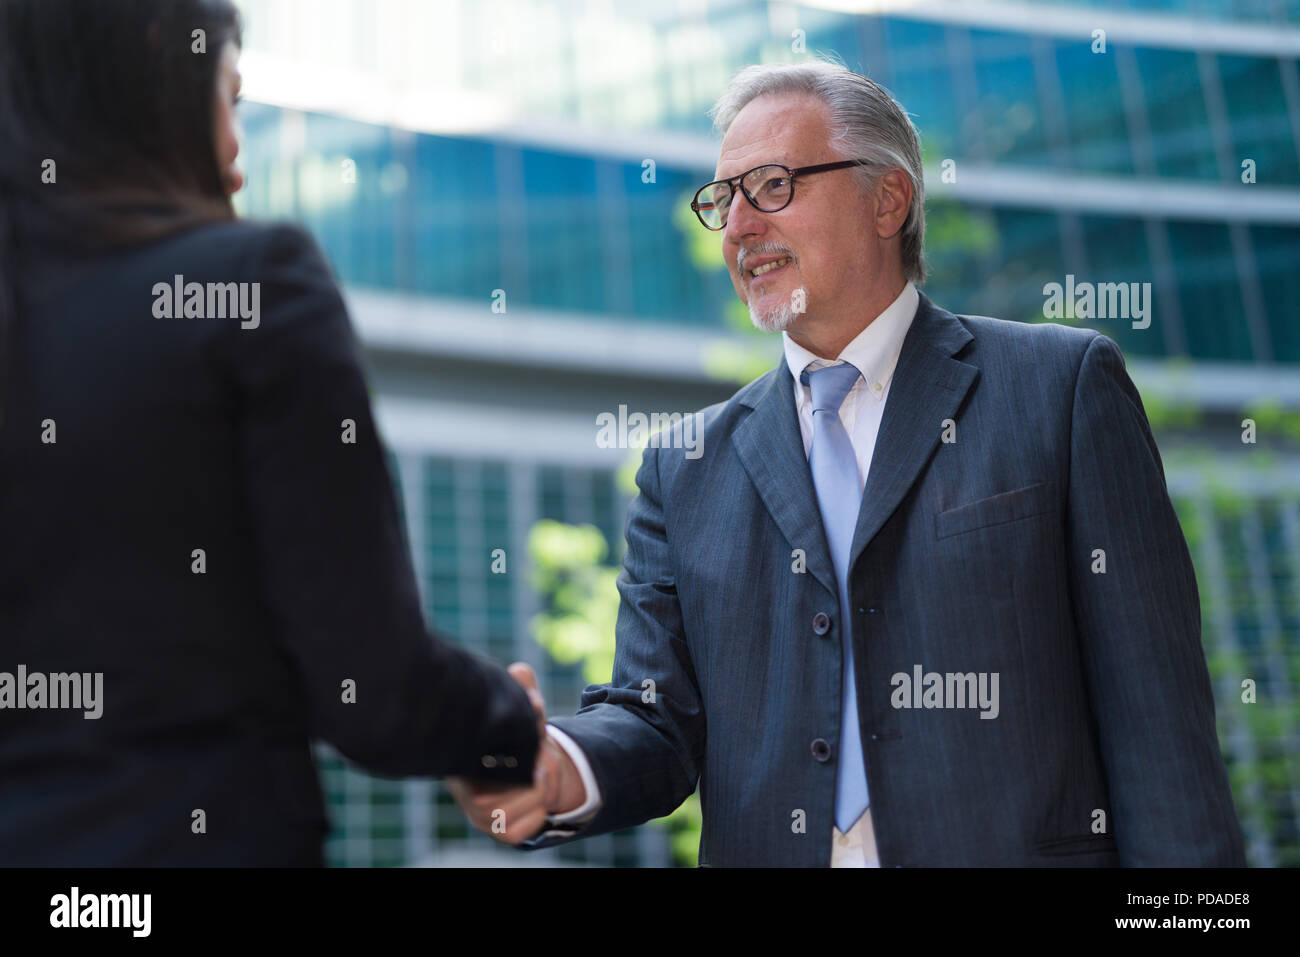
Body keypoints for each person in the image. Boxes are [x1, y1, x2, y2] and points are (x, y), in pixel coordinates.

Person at [450, 60, 1247, 866]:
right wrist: (558, 766)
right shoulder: (681, 465)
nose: (737, 228)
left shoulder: (1061, 387)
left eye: (769, 186)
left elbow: (1158, 720)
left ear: (887, 199)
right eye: (722, 200)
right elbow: (655, 720)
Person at [0, 0, 539, 865]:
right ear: (158, 62)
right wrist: (506, 725)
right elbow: (374, 694)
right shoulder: (252, 286)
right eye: (233, 99)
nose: (239, 162)